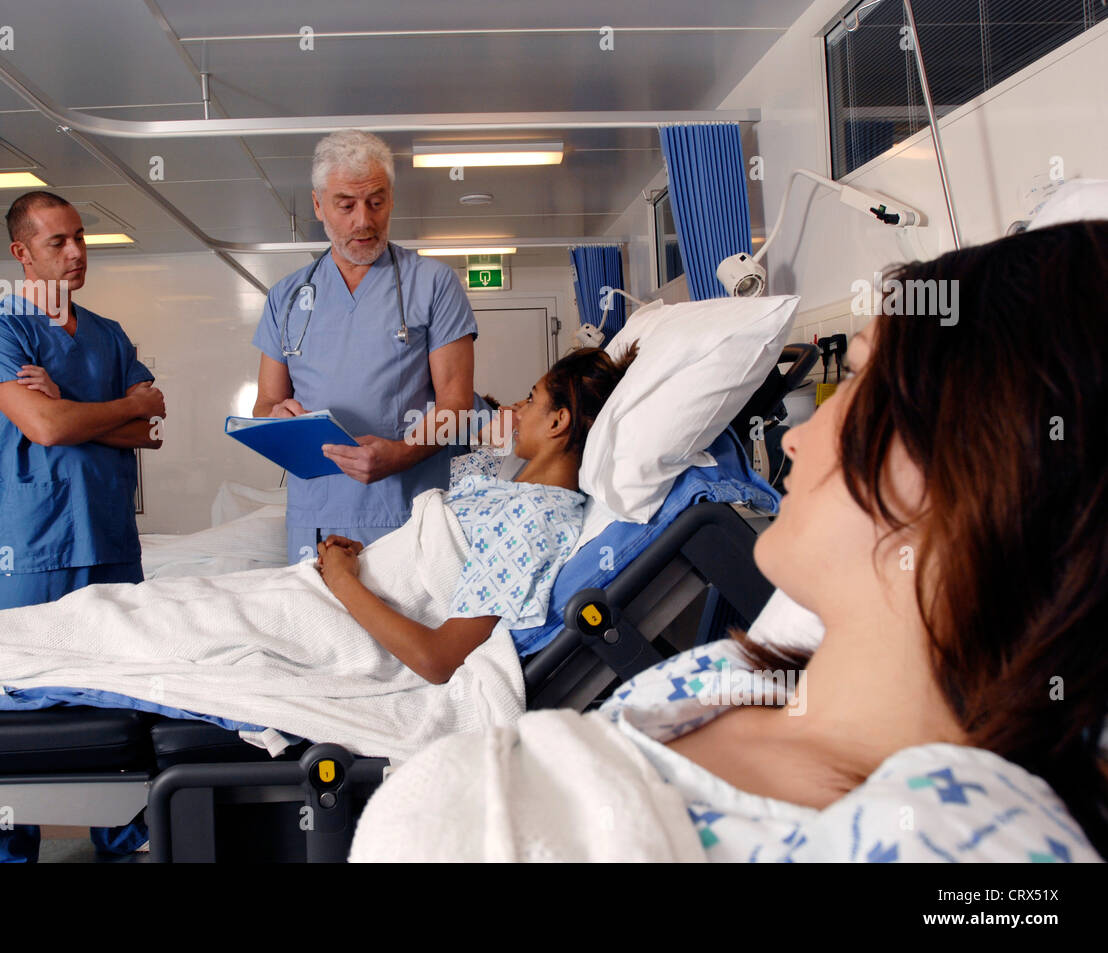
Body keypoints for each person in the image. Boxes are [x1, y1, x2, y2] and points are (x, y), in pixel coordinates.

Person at [350, 222, 1108, 862]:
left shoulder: (970, 838)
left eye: (861, 385)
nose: (804, 435)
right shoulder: (729, 675)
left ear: (977, 465)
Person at [0, 190, 166, 863]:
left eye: (81, 237)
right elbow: (44, 426)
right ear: (21, 253)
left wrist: (80, 408)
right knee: (14, 707)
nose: (76, 253)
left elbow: (152, 426)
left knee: (121, 698)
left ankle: (124, 830)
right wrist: (115, 410)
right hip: (34, 543)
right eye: (58, 242)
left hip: (108, 542)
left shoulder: (106, 333)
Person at [317, 345, 636, 682]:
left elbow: (438, 659)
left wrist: (342, 579)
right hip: (341, 587)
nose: (519, 411)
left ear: (558, 421)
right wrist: (367, 559)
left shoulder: (534, 519)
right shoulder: (510, 491)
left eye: (531, 399)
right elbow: (442, 553)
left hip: (337, 613)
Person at [251, 130, 479, 564]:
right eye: (346, 205)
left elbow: (458, 405)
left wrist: (401, 454)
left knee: (408, 631)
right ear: (318, 205)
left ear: (391, 199)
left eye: (376, 202)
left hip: (409, 511)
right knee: (320, 630)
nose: (364, 221)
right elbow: (266, 402)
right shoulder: (286, 296)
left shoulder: (433, 284)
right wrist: (274, 416)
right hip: (316, 514)